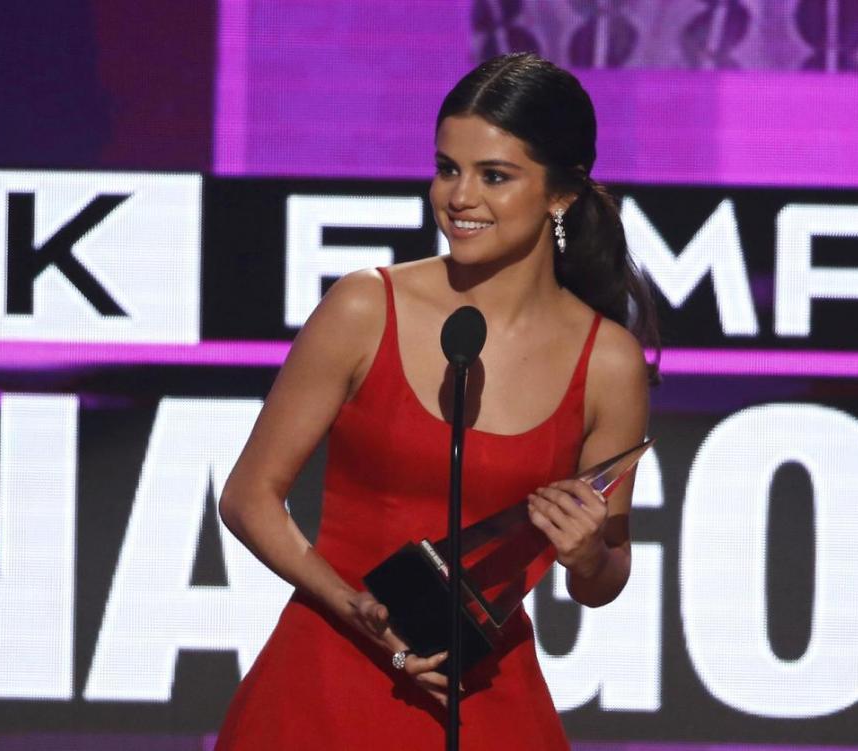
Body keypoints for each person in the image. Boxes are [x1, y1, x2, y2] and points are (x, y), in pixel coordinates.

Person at [214, 52, 658, 750]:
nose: (459, 197)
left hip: (481, 696)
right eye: (448, 167)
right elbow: (248, 496)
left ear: (561, 195)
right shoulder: (365, 305)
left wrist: (586, 556)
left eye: (495, 176)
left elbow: (604, 576)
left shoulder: (607, 362)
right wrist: (364, 614)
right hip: (327, 680)